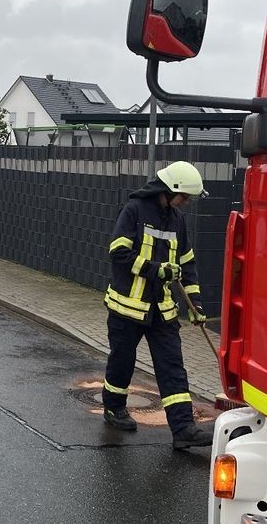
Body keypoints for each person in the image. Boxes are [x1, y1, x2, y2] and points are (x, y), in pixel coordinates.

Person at [101, 160, 213, 450]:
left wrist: (195, 305)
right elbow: (118, 252)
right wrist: (156, 269)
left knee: (172, 366)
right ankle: (114, 407)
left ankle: (183, 429)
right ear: (168, 189)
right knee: (122, 362)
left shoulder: (177, 220)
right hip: (128, 308)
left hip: (162, 311)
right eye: (184, 197)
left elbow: (187, 264)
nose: (186, 203)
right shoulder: (135, 210)